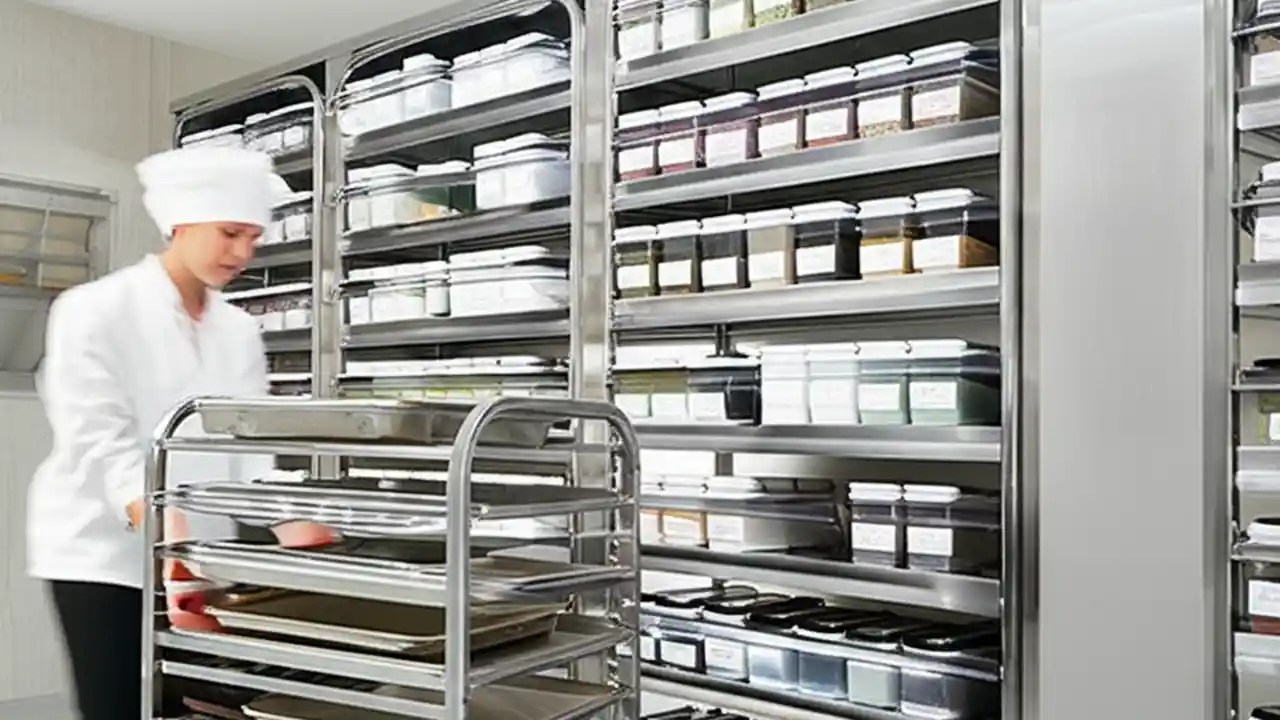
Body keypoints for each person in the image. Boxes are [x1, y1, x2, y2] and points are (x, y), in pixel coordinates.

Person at [26, 146, 332, 720]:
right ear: (182, 224)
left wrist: (294, 519)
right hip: (102, 555)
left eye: (254, 238)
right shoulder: (93, 309)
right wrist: (171, 542)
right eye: (230, 233)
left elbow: (247, 450)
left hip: (201, 554)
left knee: (190, 705)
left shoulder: (238, 331)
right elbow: (101, 444)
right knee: (117, 704)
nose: (243, 252)